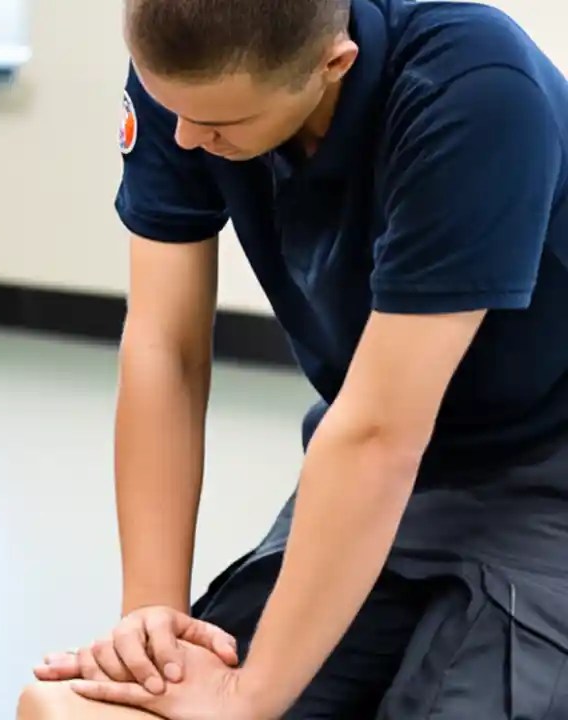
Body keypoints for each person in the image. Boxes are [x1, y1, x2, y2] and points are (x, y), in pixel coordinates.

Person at [32, 0, 568, 717]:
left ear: (333, 64)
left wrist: (248, 698)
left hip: (544, 477)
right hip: (385, 455)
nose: (186, 139)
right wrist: (151, 625)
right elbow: (167, 348)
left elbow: (381, 435)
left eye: (221, 125)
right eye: (175, 111)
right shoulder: (190, 84)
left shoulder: (472, 90)